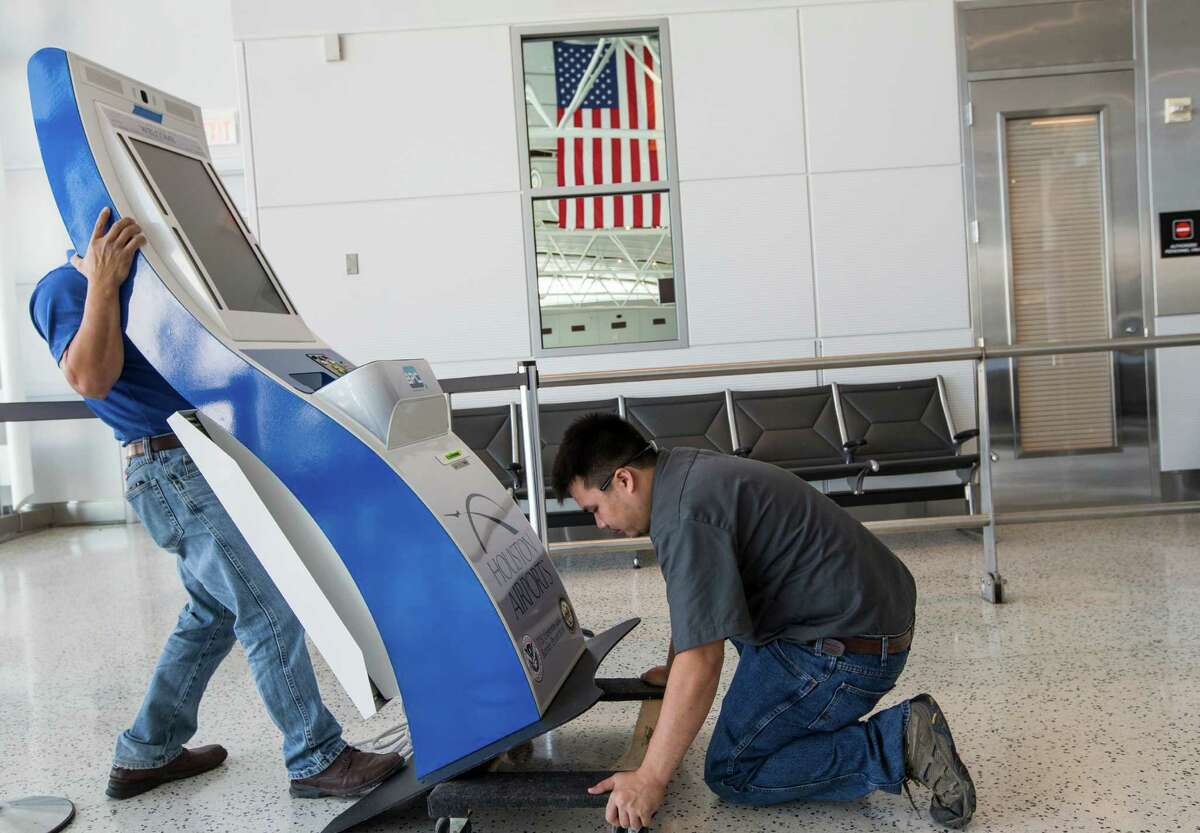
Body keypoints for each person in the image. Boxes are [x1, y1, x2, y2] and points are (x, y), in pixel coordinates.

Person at [29, 208, 404, 799]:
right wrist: (100, 282)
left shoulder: (146, 287)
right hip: (168, 467)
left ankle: (145, 751)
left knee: (211, 614)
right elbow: (90, 378)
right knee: (265, 603)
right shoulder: (62, 288)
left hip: (203, 459)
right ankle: (315, 757)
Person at [552, 413, 976, 830]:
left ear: (623, 480)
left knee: (733, 771)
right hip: (862, 611)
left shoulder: (685, 515)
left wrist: (650, 778)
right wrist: (675, 668)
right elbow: (695, 602)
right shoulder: (680, 473)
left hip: (850, 648)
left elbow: (702, 660)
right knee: (716, 651)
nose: (601, 523)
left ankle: (897, 743)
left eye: (595, 508)